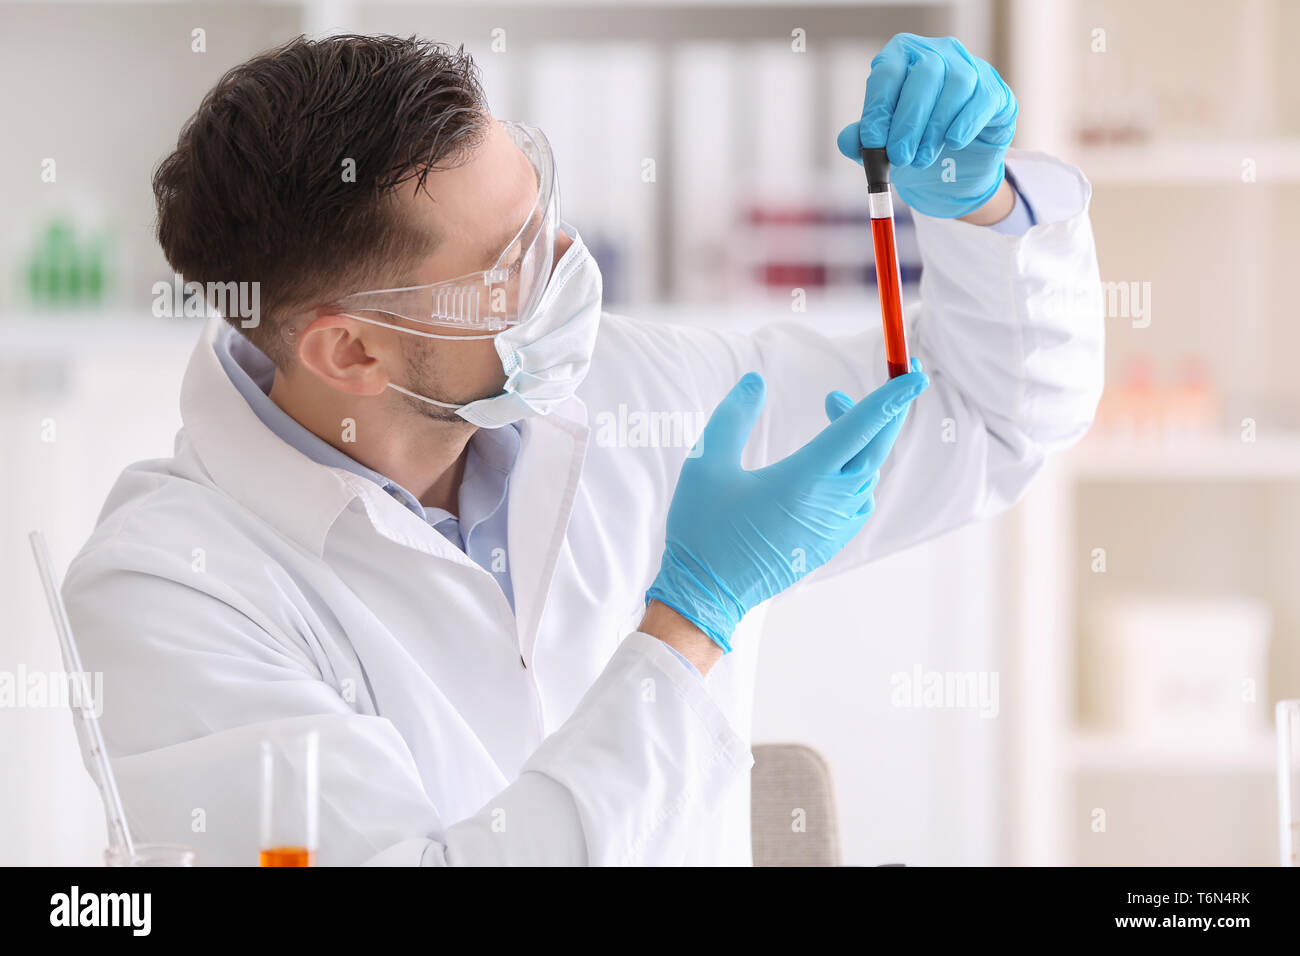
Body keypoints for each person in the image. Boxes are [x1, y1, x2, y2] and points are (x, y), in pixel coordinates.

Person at [63, 32, 1103, 865]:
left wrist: (983, 208)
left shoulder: (641, 394)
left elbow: (995, 413)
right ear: (351, 348)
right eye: (510, 260)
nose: (567, 260)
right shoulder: (169, 590)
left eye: (539, 202)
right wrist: (691, 619)